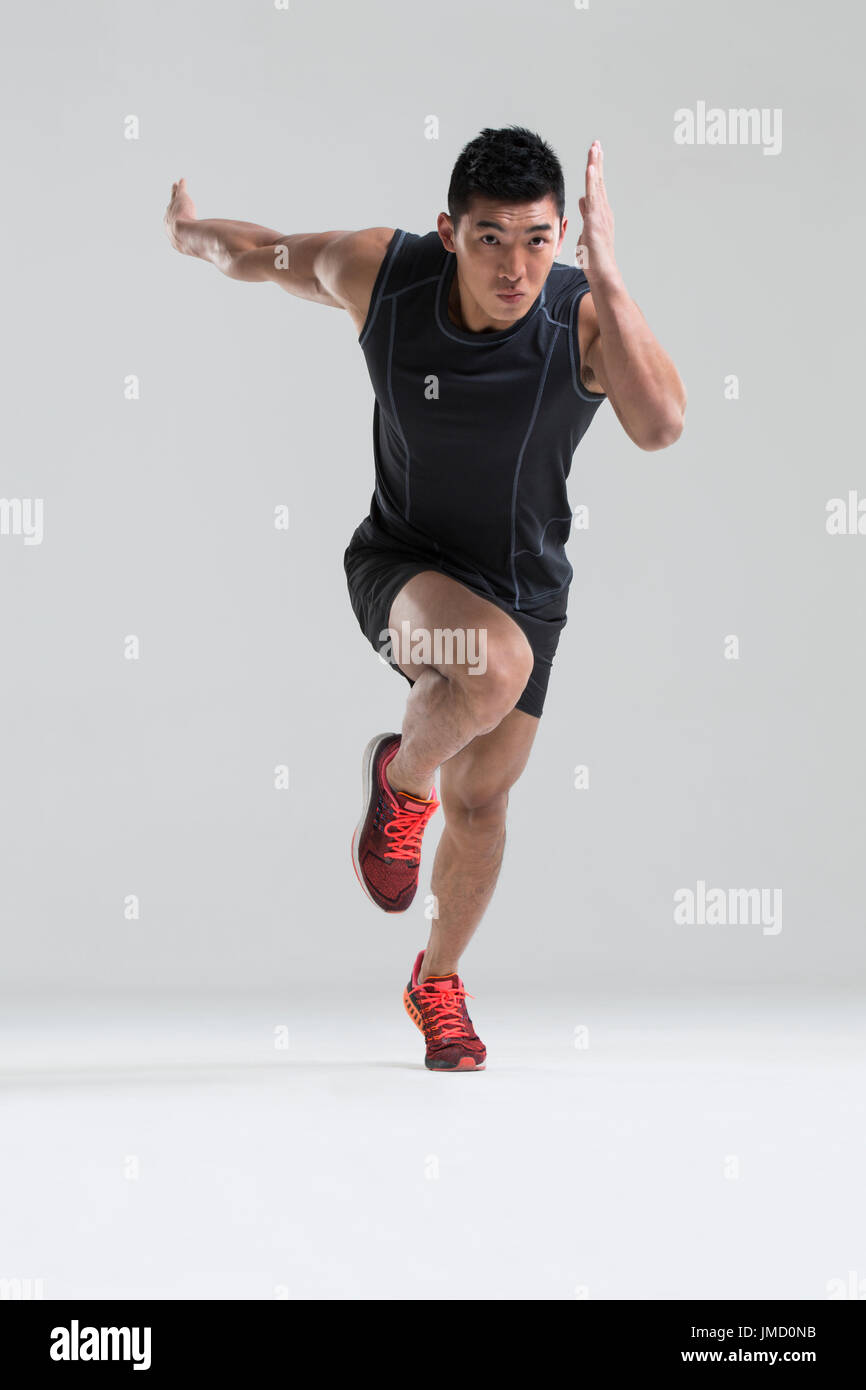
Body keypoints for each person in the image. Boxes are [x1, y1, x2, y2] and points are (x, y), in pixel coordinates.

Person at [164, 125, 686, 1073]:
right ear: (449, 232)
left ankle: (434, 981)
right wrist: (190, 233)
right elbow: (262, 252)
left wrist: (606, 272)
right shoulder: (384, 274)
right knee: (493, 666)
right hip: (402, 564)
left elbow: (662, 426)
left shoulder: (584, 315)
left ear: (563, 234)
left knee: (482, 804)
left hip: (525, 587)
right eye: (490, 238)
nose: (516, 266)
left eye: (538, 239)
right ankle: (400, 781)